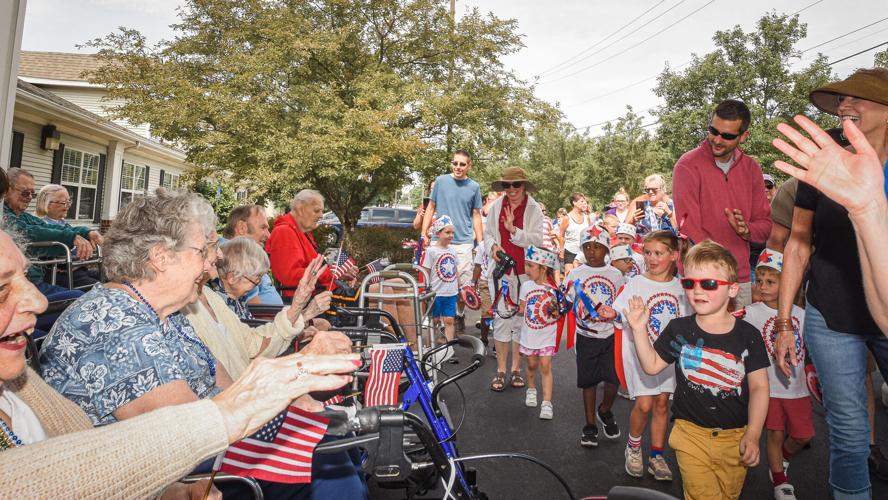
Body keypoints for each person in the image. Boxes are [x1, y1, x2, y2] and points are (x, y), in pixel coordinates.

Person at [0, 224, 359, 498]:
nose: (215, 261)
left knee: (332, 442)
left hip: (192, 463)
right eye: (205, 250)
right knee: (326, 463)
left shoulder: (170, 313)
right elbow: (171, 433)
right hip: (200, 457)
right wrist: (285, 380)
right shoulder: (109, 318)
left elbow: (222, 383)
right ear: (161, 257)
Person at [773, 69, 888, 500]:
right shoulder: (823, 163)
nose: (844, 106)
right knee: (850, 432)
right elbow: (798, 244)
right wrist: (784, 322)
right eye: (841, 99)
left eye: (858, 97)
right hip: (832, 315)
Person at [624, 240, 770, 500]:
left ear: (732, 289)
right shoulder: (679, 329)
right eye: (690, 283)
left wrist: (754, 433)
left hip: (735, 438)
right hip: (689, 435)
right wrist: (638, 330)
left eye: (709, 283)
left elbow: (759, 387)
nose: (697, 290)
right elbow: (651, 365)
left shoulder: (749, 335)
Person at [185, 237, 335, 380]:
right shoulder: (216, 301)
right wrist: (302, 312)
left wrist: (299, 310)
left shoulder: (226, 299)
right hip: (254, 374)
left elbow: (251, 342)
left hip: (258, 366)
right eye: (256, 281)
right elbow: (251, 347)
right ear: (232, 278)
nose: (256, 287)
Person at [672, 99, 773, 308]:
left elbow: (765, 227)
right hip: (700, 278)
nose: (717, 140)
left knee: (738, 331)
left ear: (743, 136)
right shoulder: (687, 165)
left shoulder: (752, 168)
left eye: (727, 136)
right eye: (713, 131)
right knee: (699, 332)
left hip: (739, 278)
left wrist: (747, 230)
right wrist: (718, 273)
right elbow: (689, 229)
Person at [613, 230, 690, 481]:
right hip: (640, 354)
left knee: (662, 403)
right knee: (644, 404)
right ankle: (634, 447)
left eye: (658, 253)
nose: (651, 258)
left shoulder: (682, 287)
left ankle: (657, 455)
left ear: (675, 255)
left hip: (669, 356)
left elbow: (689, 318)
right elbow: (620, 311)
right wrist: (612, 314)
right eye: (647, 252)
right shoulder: (636, 282)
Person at [740, 249, 811, 500]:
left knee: (803, 436)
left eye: (771, 281)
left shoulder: (801, 314)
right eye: (759, 280)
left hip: (797, 388)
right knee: (774, 433)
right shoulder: (751, 313)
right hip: (768, 388)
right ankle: (780, 481)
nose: (762, 286)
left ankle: (782, 458)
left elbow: (809, 349)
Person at [484, 167, 545, 393]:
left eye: (516, 184)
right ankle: (501, 370)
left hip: (525, 274)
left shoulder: (534, 209)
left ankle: (516, 369)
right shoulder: (496, 207)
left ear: (524, 186)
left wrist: (514, 231)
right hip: (502, 273)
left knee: (520, 322)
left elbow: (537, 240)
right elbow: (488, 234)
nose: (511, 189)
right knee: (502, 319)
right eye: (506, 185)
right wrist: (493, 247)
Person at [2, 168, 99, 307]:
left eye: (32, 194)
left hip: (33, 284)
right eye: (25, 193)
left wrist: (88, 232)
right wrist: (71, 238)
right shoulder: (4, 216)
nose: (29, 197)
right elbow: (30, 232)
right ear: (6, 191)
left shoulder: (24, 216)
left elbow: (53, 228)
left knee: (87, 294)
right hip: (18, 290)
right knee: (79, 299)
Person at [565, 228, 623, 447]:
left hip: (611, 336)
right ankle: (590, 425)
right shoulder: (575, 274)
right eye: (587, 247)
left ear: (606, 249)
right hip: (586, 336)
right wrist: (555, 306)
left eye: (597, 247)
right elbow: (566, 300)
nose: (591, 251)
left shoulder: (616, 275)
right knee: (588, 382)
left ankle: (605, 410)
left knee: (613, 379)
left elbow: (622, 302)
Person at [420, 150, 484, 335]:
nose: (458, 167)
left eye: (462, 164)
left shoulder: (474, 187)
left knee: (463, 286)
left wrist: (480, 242)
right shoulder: (441, 181)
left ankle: (458, 315)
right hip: (439, 240)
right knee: (437, 284)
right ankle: (439, 323)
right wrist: (424, 233)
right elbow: (431, 207)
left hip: (463, 242)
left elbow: (476, 214)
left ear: (469, 166)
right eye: (455, 163)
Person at [518, 245, 560, 420]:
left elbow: (558, 314)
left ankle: (547, 403)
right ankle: (531, 389)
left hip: (547, 335)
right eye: (526, 265)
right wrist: (514, 308)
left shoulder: (554, 289)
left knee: (545, 366)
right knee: (531, 365)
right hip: (530, 335)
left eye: (530, 265)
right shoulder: (526, 286)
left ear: (543, 268)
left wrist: (555, 309)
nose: (526, 269)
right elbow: (522, 308)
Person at [33, 183, 101, 289]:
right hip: (60, 275)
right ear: (46, 204)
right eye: (62, 203)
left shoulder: (63, 224)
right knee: (102, 288)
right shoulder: (40, 225)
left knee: (112, 279)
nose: (67, 206)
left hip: (78, 270)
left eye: (68, 202)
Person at [420, 215, 463, 361]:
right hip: (436, 293)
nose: (451, 235)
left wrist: (460, 286)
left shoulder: (453, 250)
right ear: (438, 233)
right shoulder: (431, 251)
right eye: (447, 232)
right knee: (435, 320)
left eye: (452, 232)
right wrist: (425, 289)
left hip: (451, 292)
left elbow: (455, 270)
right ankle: (430, 349)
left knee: (449, 320)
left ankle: (448, 350)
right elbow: (426, 271)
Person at [221, 204, 281, 305]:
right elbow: (253, 309)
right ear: (242, 227)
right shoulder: (236, 256)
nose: (269, 235)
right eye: (263, 227)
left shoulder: (249, 256)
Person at [558, 192, 591, 275]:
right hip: (570, 251)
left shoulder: (587, 217)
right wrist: (561, 251)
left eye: (584, 201)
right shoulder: (567, 218)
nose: (584, 203)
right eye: (582, 201)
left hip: (583, 251)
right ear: (574, 203)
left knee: (582, 276)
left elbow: (590, 234)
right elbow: (561, 235)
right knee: (569, 275)